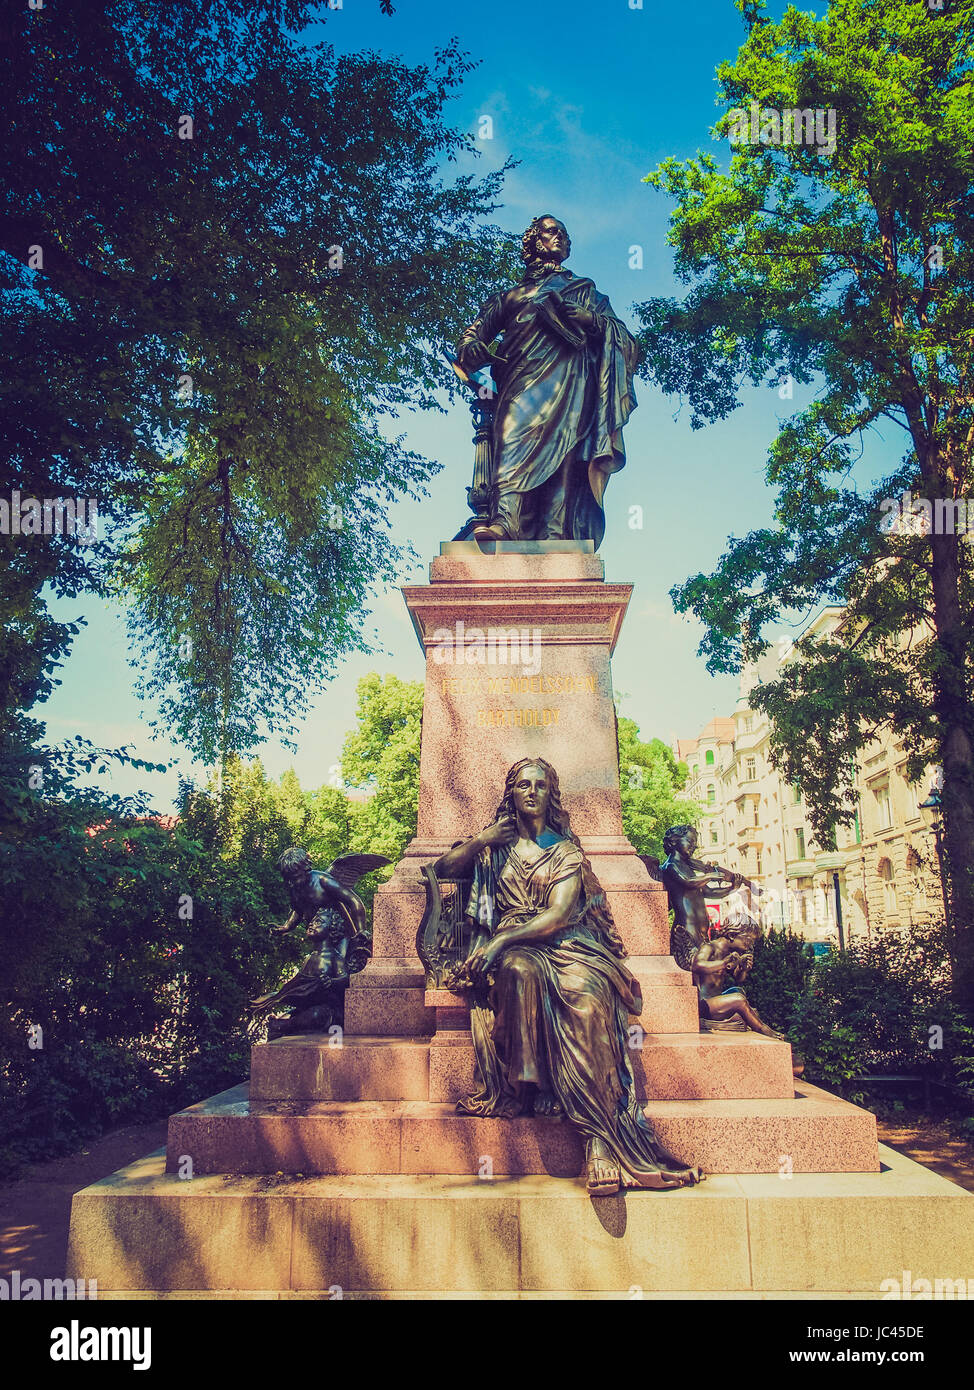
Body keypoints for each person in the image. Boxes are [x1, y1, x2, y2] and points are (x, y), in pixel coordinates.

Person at [434, 757, 702, 1196]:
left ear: (551, 794)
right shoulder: (493, 848)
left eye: (541, 784)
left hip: (566, 942)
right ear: (512, 794)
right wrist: (483, 839)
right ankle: (534, 1082)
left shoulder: (565, 850)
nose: (532, 791)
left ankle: (598, 1139)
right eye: (523, 784)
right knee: (519, 973)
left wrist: (497, 943)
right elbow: (442, 872)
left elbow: (559, 914)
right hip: (517, 948)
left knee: (588, 994)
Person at [453, 215, 638, 548]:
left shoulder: (585, 291)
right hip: (519, 386)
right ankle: (504, 523)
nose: (562, 238)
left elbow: (627, 342)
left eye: (565, 234)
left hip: (571, 386)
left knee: (564, 453)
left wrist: (592, 320)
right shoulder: (510, 297)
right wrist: (473, 348)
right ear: (534, 241)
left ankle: (556, 534)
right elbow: (468, 340)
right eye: (554, 232)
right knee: (511, 446)